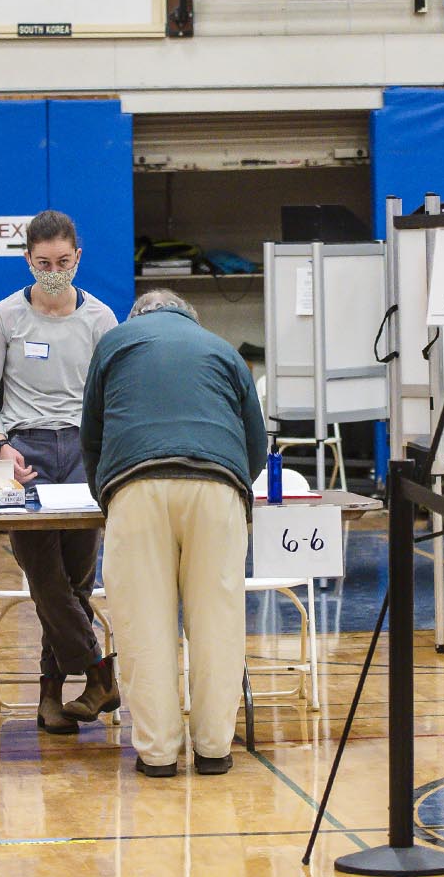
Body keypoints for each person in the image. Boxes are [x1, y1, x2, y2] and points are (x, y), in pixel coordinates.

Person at [81, 290, 266, 779]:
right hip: (217, 489)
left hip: (137, 488)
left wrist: (108, 495)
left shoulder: (115, 343)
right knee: (217, 624)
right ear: (192, 316)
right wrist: (231, 482)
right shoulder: (223, 348)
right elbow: (257, 443)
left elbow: (92, 436)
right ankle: (212, 749)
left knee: (144, 626)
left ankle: (158, 755)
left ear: (137, 316)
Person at [0, 209, 120, 733]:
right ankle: (101, 673)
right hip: (25, 452)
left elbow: (113, 396)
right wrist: (0, 445)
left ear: (78, 258)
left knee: (76, 581)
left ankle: (51, 697)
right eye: (43, 262)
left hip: (84, 452)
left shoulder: (102, 320)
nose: (54, 271)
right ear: (27, 261)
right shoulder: (4, 317)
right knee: (44, 574)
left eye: (63, 261)